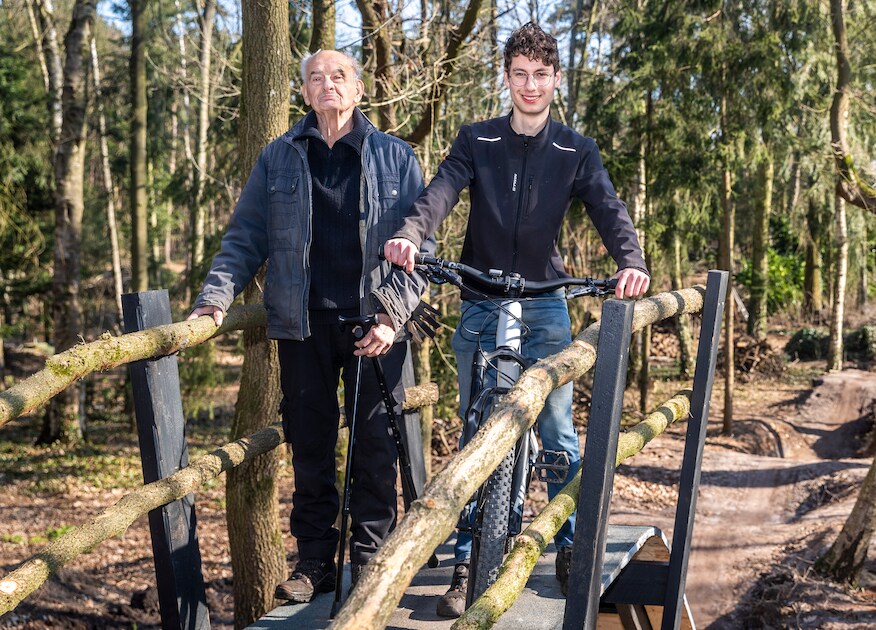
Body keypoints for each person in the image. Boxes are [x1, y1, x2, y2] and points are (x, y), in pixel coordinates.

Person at [383, 21, 650, 617]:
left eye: (541, 75)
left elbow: (608, 208)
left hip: (544, 300)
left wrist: (631, 263)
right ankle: (466, 561)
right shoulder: (476, 139)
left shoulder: (576, 150)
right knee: (476, 431)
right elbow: (439, 192)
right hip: (480, 298)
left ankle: (570, 543)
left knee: (556, 430)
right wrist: (410, 234)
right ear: (506, 78)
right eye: (520, 74)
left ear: (556, 80)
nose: (530, 85)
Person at [188, 49, 434, 603]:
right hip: (303, 327)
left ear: (359, 88)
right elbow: (245, 236)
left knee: (375, 446)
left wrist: (392, 316)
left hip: (376, 324)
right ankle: (316, 562)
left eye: (339, 76)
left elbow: (424, 247)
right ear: (304, 93)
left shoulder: (396, 157)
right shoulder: (278, 158)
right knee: (310, 447)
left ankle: (371, 559)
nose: (328, 85)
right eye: (316, 78)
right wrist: (215, 298)